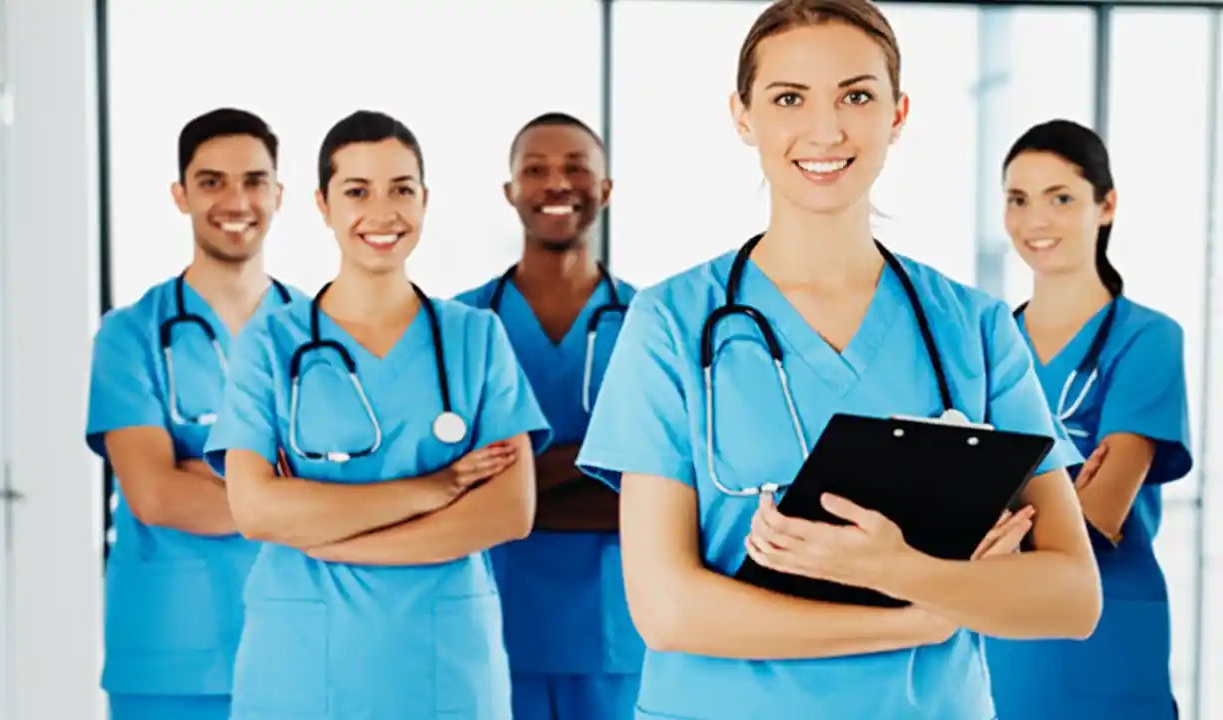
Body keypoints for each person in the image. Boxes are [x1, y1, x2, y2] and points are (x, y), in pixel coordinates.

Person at [573, 2, 1104, 718]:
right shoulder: (671, 323)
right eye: (789, 98)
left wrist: (895, 568)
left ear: (898, 112)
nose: (826, 130)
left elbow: (1070, 596)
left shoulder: (973, 330)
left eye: (856, 95)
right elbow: (669, 611)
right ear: (742, 115)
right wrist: (926, 609)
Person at [204, 110, 551, 719]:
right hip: (304, 665)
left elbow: (509, 510)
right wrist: (434, 489)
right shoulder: (270, 342)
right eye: (357, 192)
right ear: (323, 204)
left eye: (401, 189)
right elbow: (256, 510)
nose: (382, 213)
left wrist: (334, 539)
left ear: (425, 200)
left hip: (444, 662)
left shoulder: (475, 338)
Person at [85, 108, 297, 720]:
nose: (236, 200)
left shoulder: (320, 335)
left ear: (278, 195)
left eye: (254, 180)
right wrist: (290, 493)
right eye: (211, 181)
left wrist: (207, 476)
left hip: (299, 644)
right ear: (181, 195)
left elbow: (353, 484)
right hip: (169, 649)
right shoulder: (131, 336)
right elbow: (156, 496)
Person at [984, 119, 1194, 720]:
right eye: (1018, 200)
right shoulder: (987, 343)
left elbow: (1102, 512)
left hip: (1105, 631)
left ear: (1106, 206)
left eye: (1061, 198)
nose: (1035, 221)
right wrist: (1060, 493)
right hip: (1002, 633)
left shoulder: (1147, 340)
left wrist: (1001, 508)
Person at [456, 112, 643, 720]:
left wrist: (513, 487)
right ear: (510, 192)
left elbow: (667, 487)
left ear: (606, 189)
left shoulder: (651, 324)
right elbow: (450, 490)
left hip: (615, 629)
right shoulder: (460, 326)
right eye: (534, 170)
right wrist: (603, 465)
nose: (556, 184)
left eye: (576, 168)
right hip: (493, 618)